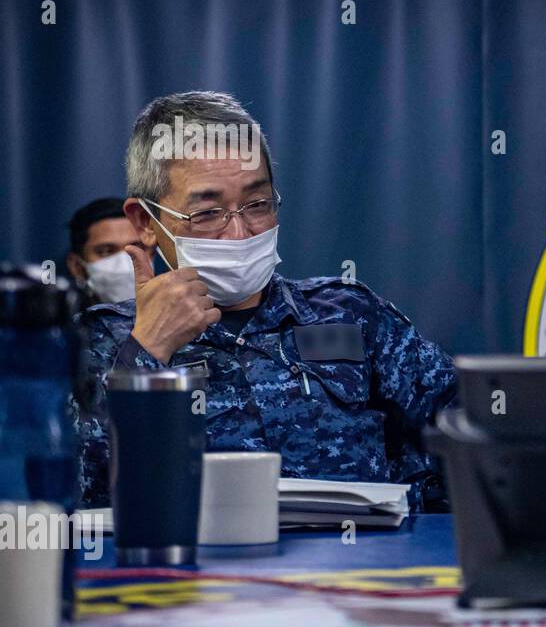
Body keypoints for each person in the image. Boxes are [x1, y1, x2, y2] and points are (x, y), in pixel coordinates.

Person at [73, 91, 458, 510]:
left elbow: (466, 431)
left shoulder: (350, 313)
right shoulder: (100, 341)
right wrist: (147, 352)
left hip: (359, 552)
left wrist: (418, 506)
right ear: (146, 222)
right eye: (207, 213)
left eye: (257, 204)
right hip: (197, 553)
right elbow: (86, 490)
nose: (240, 233)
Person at [65, 197, 155, 306]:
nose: (125, 267)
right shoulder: (59, 315)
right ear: (77, 267)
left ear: (152, 254)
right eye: (106, 251)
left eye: (136, 248)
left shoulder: (174, 312)